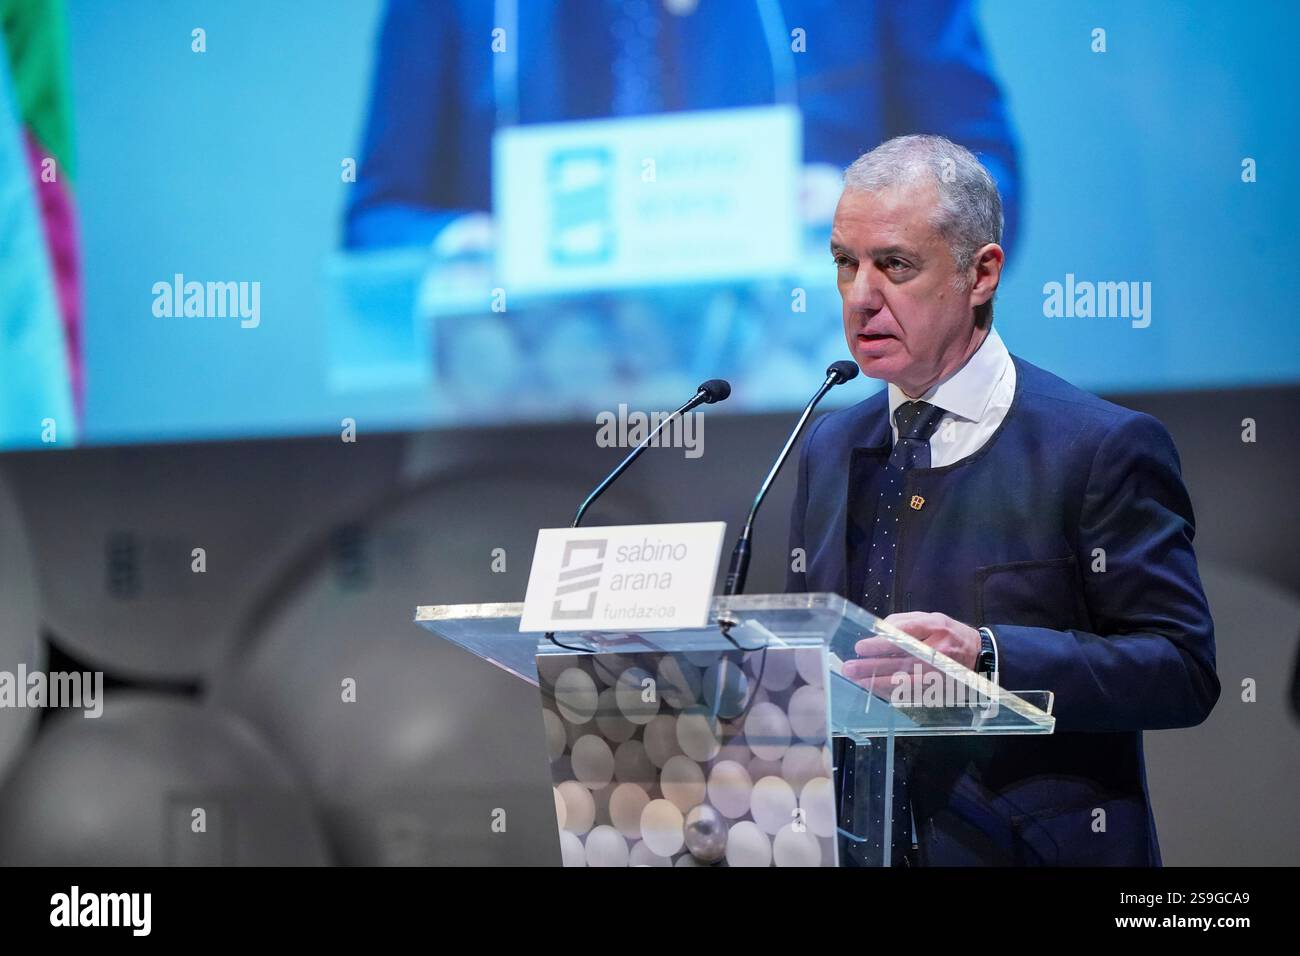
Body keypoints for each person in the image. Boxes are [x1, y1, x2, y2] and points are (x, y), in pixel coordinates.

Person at [787, 134, 1219, 866]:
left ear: (981, 272)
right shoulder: (828, 445)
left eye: (894, 264)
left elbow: (1183, 669)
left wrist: (988, 657)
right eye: (844, 264)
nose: (861, 296)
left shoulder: (1098, 447)